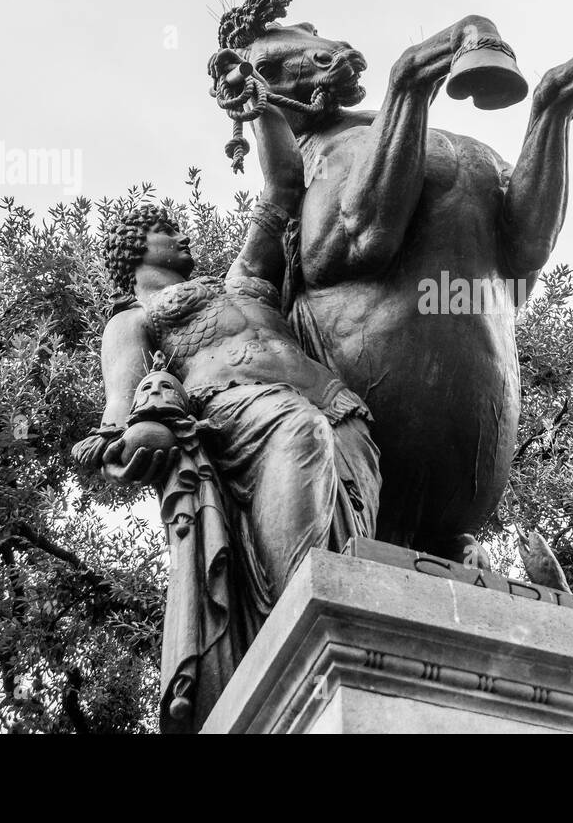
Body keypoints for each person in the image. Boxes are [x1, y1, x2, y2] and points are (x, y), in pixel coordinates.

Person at [74, 107, 379, 732]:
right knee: (300, 434)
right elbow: (120, 410)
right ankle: (313, 642)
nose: (179, 235)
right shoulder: (134, 319)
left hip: (334, 402)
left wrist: (259, 104)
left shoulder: (241, 277)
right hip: (241, 411)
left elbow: (282, 189)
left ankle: (361, 644)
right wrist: (115, 444)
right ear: (137, 249)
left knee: (360, 525)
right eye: (164, 230)